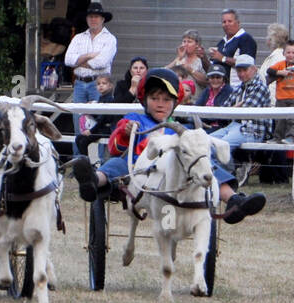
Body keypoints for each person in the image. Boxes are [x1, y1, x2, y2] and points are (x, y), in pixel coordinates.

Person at [71, 67, 266, 224]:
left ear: (175, 103)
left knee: (209, 166)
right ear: (144, 100)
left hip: (173, 173)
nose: (160, 104)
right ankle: (92, 180)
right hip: (137, 170)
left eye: (166, 100)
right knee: (115, 163)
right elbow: (115, 148)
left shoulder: (180, 128)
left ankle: (234, 201)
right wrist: (125, 132)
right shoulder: (133, 120)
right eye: (154, 98)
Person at [63, 2, 117, 134]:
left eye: (96, 17)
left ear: (102, 19)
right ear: (87, 19)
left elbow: (102, 62)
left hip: (98, 84)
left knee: (99, 122)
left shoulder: (110, 39)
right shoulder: (78, 38)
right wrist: (89, 55)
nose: (93, 19)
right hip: (80, 83)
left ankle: (99, 156)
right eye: (91, 17)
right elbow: (68, 60)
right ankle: (78, 155)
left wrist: (79, 60)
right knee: (78, 122)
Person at [209, 55, 272, 151]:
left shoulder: (260, 87)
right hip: (234, 127)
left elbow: (246, 111)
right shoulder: (239, 88)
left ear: (254, 69)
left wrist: (233, 109)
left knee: (219, 148)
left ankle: (222, 166)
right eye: (239, 71)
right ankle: (223, 166)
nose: (241, 74)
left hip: (251, 130)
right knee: (206, 143)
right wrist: (235, 108)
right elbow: (224, 109)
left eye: (245, 70)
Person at [265, 39, 294, 142]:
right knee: (280, 120)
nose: (291, 55)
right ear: (283, 53)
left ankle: (290, 137)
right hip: (281, 98)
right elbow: (269, 70)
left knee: (292, 120)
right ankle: (277, 138)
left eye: (293, 53)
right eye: (288, 52)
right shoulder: (280, 64)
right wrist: (280, 73)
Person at [208, 8, 257, 88]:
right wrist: (203, 57)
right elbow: (212, 67)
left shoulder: (246, 39)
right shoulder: (222, 42)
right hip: (220, 89)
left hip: (237, 88)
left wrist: (223, 58)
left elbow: (248, 64)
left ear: (238, 22)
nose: (226, 24)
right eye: (224, 22)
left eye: (230, 21)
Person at [75, 72, 116, 161]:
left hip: (106, 129)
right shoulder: (101, 98)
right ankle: (84, 161)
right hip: (100, 128)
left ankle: (86, 164)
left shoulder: (110, 99)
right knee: (78, 138)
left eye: (104, 83)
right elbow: (99, 116)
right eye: (98, 84)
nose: (101, 86)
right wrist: (90, 110)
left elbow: (103, 119)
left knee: (83, 141)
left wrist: (91, 130)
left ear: (110, 86)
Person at [195, 64, 234, 131]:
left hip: (219, 127)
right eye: (212, 77)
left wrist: (200, 119)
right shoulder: (207, 90)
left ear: (224, 79)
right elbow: (196, 108)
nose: (215, 80)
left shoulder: (228, 91)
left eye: (218, 77)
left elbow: (219, 115)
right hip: (201, 124)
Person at [259, 23, 290, 105]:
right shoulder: (275, 56)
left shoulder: (278, 58)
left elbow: (274, 84)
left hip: (272, 105)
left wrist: (272, 105)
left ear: (271, 39)